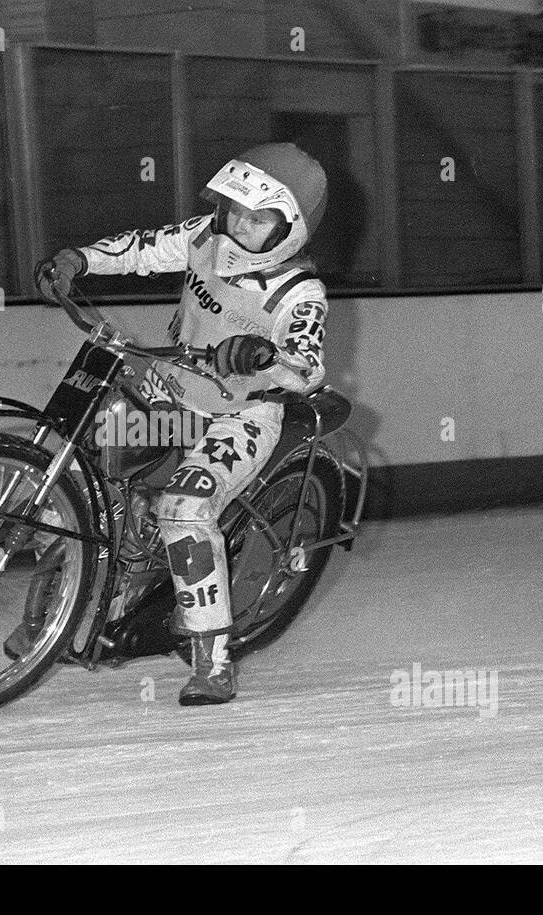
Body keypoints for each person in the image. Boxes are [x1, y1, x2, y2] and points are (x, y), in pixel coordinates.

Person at [36, 142, 329, 706]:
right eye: (234, 207)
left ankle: (213, 661)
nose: (240, 223)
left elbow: (307, 368)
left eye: (260, 216)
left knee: (184, 509)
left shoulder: (301, 292)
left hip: (240, 415)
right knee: (84, 464)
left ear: (291, 227)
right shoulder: (206, 239)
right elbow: (144, 248)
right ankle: (66, 604)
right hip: (173, 389)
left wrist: (262, 356)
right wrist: (81, 259)